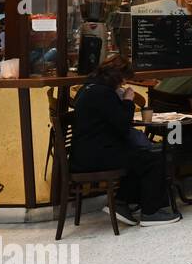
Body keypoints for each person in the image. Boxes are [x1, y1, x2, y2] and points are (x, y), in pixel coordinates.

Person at [69, 56, 180, 227]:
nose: (122, 85)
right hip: (96, 156)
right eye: (122, 81)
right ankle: (151, 212)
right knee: (151, 159)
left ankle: (121, 203)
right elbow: (122, 124)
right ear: (117, 77)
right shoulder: (103, 93)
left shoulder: (88, 89)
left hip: (85, 154)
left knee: (139, 156)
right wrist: (128, 100)